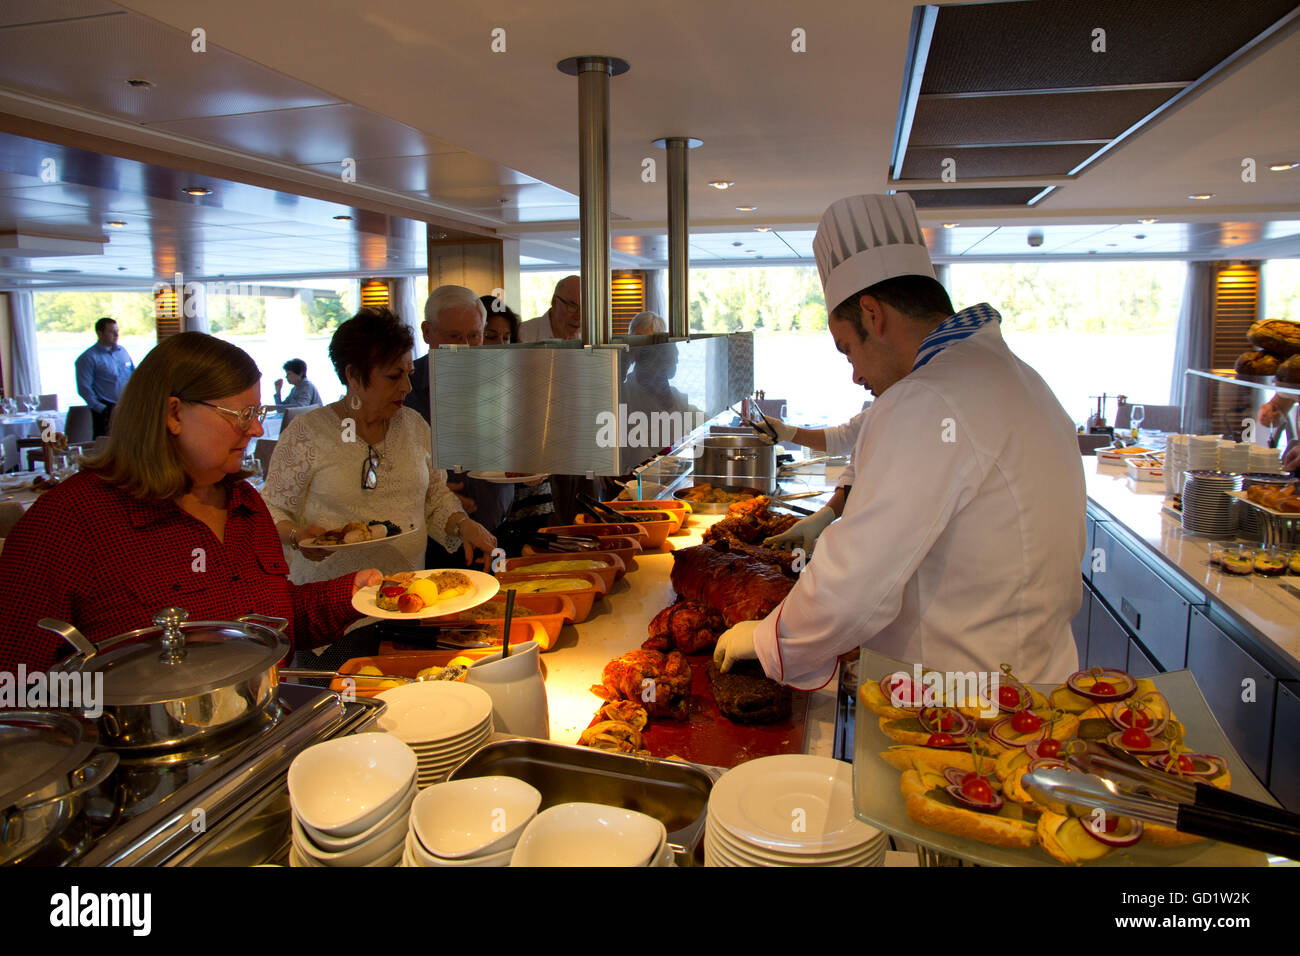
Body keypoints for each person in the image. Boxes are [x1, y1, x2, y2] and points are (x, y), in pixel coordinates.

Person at [714, 193, 1087, 688]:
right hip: (1033, 687)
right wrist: (832, 512)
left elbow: (855, 584)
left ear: (873, 315)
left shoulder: (926, 399)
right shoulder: (1017, 376)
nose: (854, 375)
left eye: (847, 350)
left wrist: (767, 639)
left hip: (960, 710)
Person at [0, 332, 377, 673]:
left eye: (258, 413)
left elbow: (271, 621)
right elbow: (14, 684)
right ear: (174, 413)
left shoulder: (243, 504)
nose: (258, 429)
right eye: (243, 415)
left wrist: (352, 592)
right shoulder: (68, 523)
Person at [262, 306, 496, 585]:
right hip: (331, 600)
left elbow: (435, 499)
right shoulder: (308, 432)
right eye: (393, 376)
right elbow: (271, 510)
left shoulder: (413, 425)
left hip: (407, 592)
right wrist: (298, 537)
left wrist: (461, 524)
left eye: (409, 373)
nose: (407, 387)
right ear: (352, 375)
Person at [403, 286, 514, 566]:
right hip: (434, 542)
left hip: (500, 527)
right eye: (454, 337)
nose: (465, 346)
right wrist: (431, 492)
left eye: (474, 336)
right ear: (427, 332)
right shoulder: (404, 389)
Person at [758, 403, 871, 552]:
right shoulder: (877, 411)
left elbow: (862, 474)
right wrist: (789, 433)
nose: (857, 379)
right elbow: (843, 439)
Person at [74, 316, 135, 438]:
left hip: (126, 405)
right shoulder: (88, 357)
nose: (116, 334)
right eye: (111, 331)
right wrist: (102, 409)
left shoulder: (122, 351)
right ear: (99, 333)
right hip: (106, 409)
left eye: (117, 331)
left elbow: (134, 375)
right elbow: (84, 388)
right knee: (104, 446)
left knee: (129, 442)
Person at [517, 275, 582, 342]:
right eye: (572, 306)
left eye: (584, 309)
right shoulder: (524, 333)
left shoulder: (589, 337)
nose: (578, 316)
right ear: (554, 302)